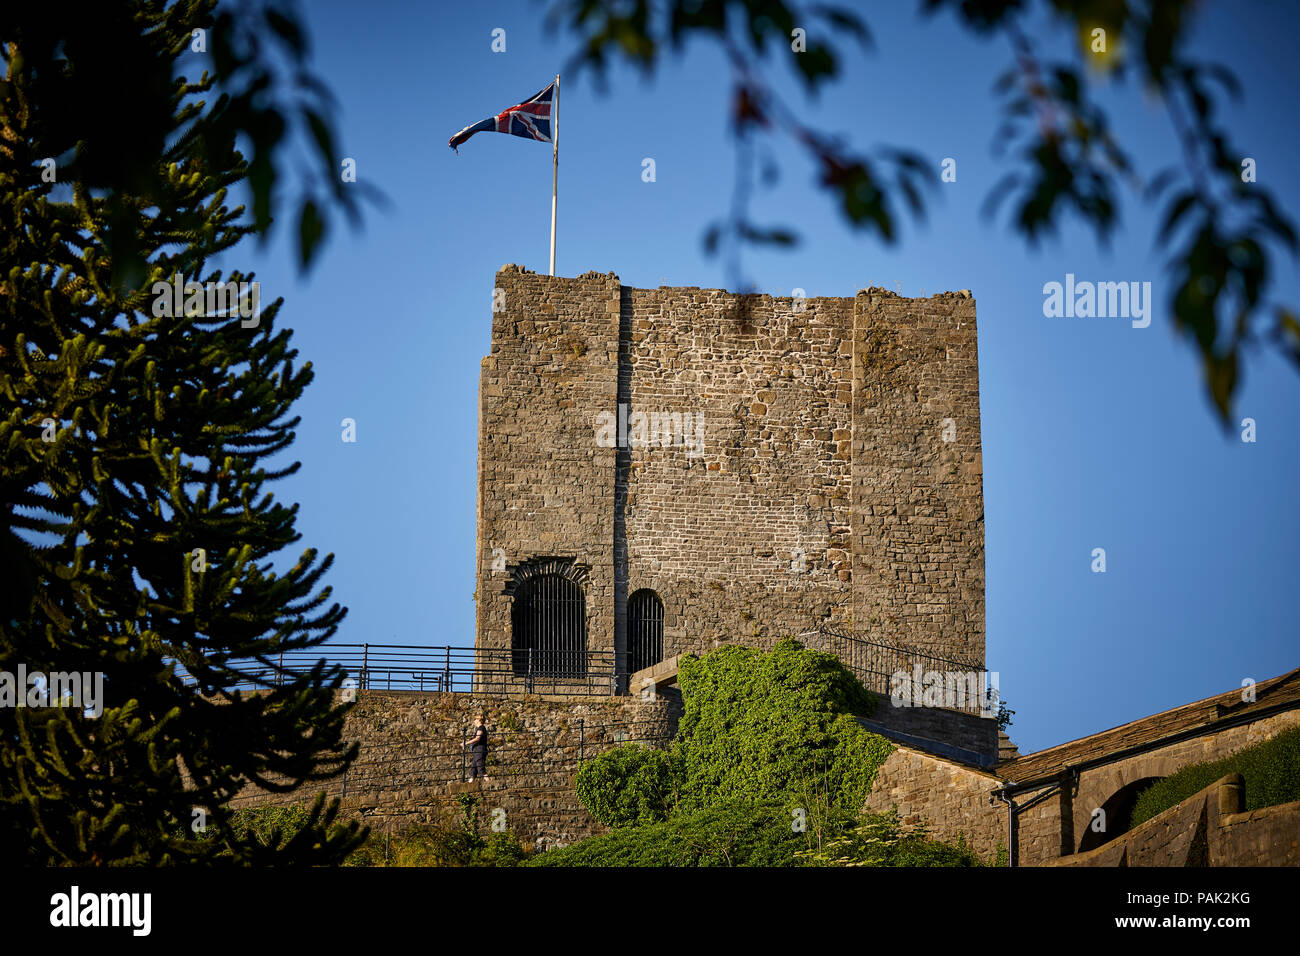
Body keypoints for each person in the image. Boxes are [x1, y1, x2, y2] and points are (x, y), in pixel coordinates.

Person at [464, 713, 490, 783]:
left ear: (479, 720)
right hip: (477, 751)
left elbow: (477, 738)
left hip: (479, 750)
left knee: (480, 768)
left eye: (475, 719)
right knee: (474, 768)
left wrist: (466, 743)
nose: (474, 721)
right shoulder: (480, 728)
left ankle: (489, 782)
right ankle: (471, 781)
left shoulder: (481, 728)